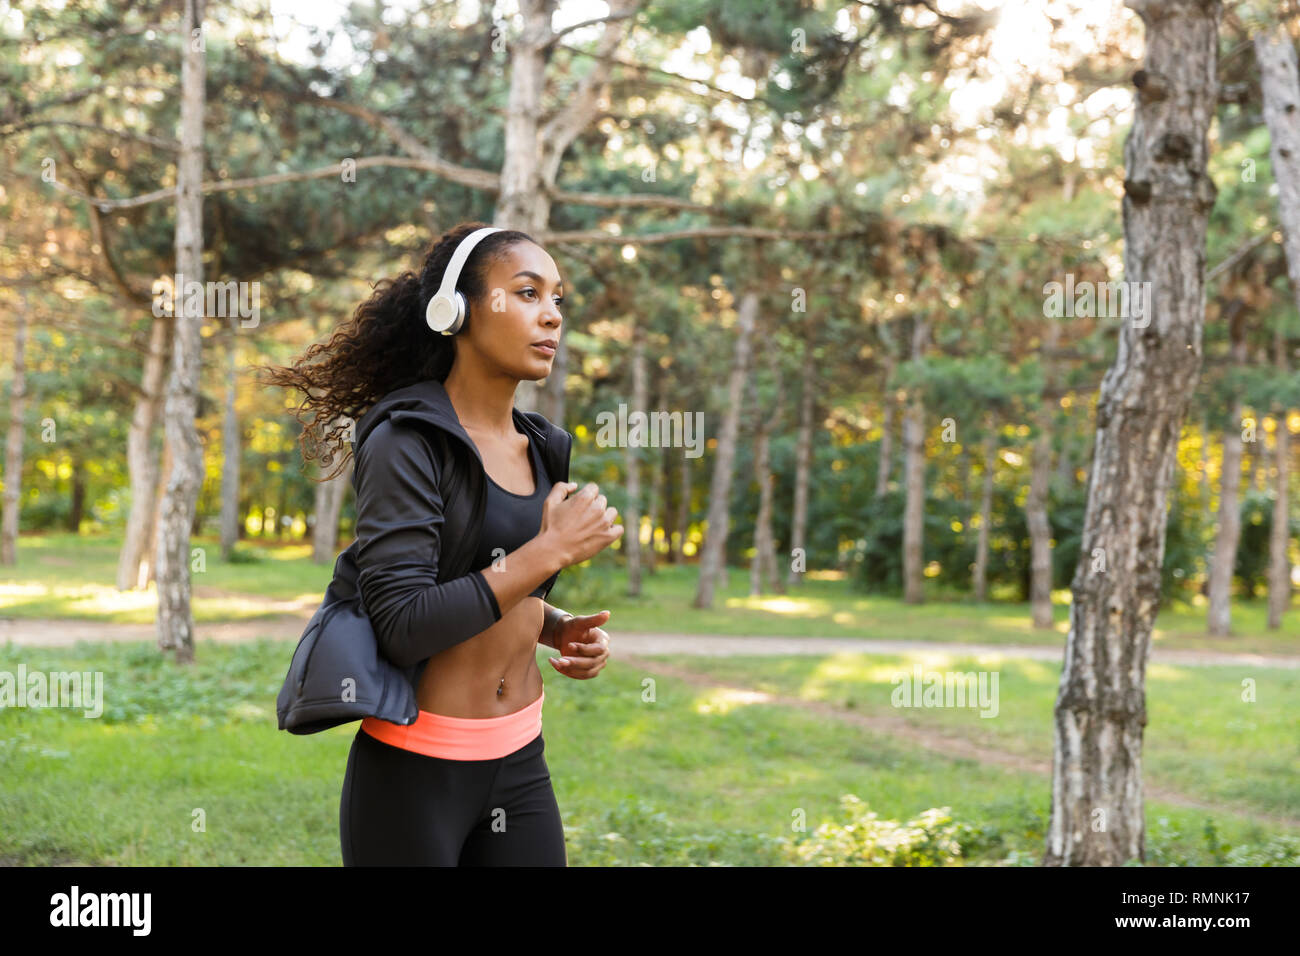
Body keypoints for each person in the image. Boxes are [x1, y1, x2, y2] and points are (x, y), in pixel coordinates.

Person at [263, 220, 624, 865]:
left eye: (558, 299)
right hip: (417, 769)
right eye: (526, 293)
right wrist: (551, 551)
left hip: (520, 760)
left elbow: (488, 580)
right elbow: (402, 623)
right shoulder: (406, 441)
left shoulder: (542, 446)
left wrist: (556, 625)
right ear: (453, 310)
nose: (551, 317)